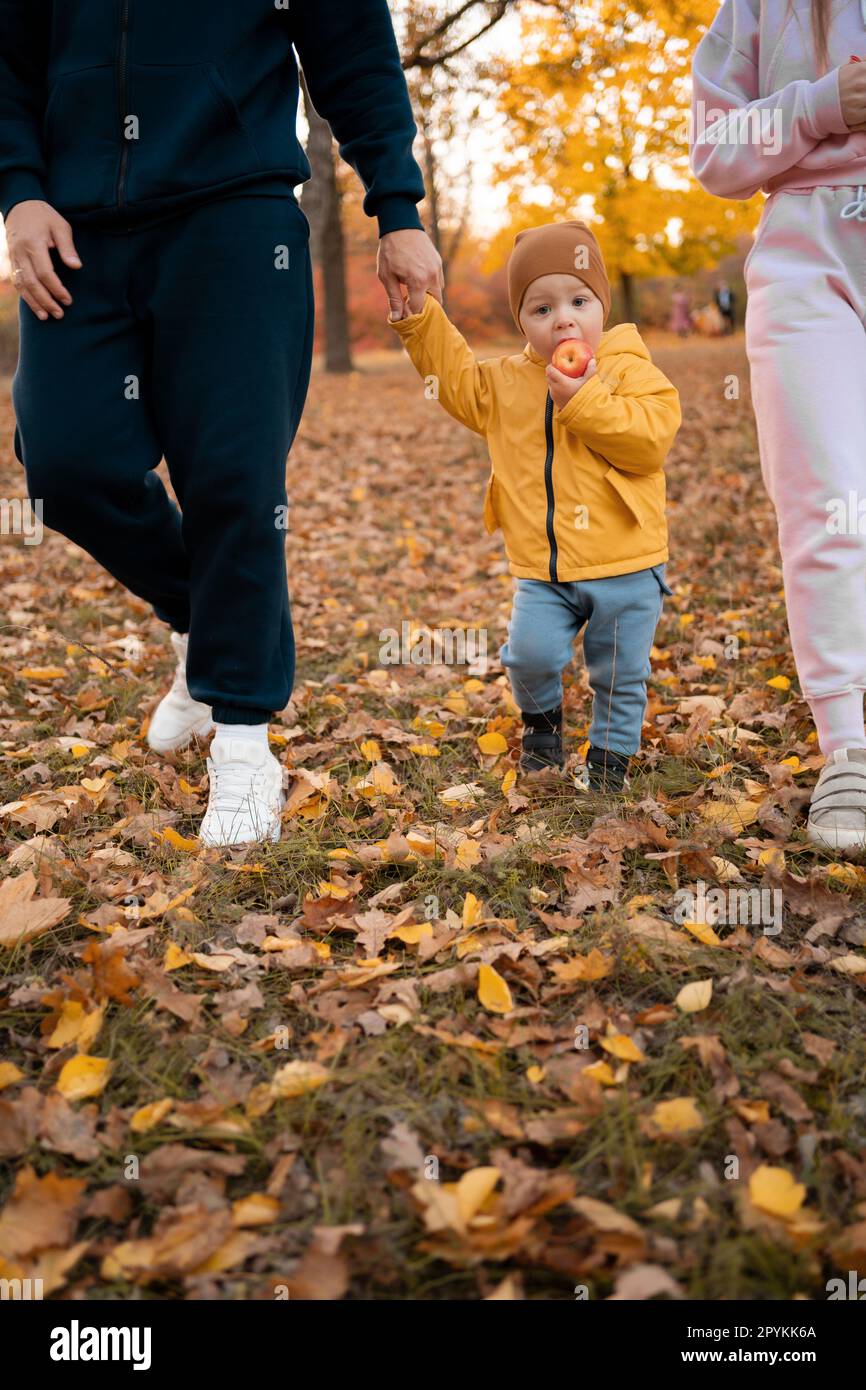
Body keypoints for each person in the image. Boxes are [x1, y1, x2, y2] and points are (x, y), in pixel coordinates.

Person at [0, 0, 443, 847]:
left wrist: (396, 204)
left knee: (234, 480)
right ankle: (201, 620)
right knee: (64, 463)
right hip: (72, 228)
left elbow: (351, 40)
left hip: (235, 213)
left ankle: (243, 742)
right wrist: (18, 192)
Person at [389, 221, 681, 792]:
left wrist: (586, 400)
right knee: (528, 656)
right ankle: (543, 732)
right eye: (542, 309)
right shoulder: (504, 383)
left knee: (620, 672)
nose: (564, 319)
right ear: (521, 322)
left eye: (579, 302)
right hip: (544, 571)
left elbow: (648, 442)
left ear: (603, 307)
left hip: (626, 563)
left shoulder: (631, 371)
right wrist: (422, 318)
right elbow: (453, 379)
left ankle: (610, 764)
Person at [691, 0, 866, 854]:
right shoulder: (757, 7)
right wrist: (819, 104)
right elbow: (714, 151)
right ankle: (849, 747)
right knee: (825, 499)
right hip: (807, 256)